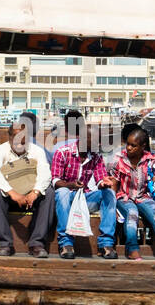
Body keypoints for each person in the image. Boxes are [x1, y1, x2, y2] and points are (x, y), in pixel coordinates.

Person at [50, 110, 117, 260]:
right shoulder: (62, 152)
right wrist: (71, 185)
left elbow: (100, 178)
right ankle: (66, 243)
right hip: (67, 197)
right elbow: (55, 181)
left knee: (110, 194)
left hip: (85, 199)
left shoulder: (96, 156)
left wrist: (104, 184)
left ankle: (106, 243)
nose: (96, 144)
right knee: (62, 192)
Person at [0, 117, 54, 257]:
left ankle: (37, 244)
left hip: (31, 194)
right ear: (9, 136)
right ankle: (5, 244)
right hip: (10, 195)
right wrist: (12, 193)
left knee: (48, 193)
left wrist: (35, 192)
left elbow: (45, 174)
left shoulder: (37, 151)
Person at [114, 127, 155, 261]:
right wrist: (111, 207)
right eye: (128, 144)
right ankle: (132, 250)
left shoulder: (151, 160)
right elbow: (114, 185)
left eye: (133, 145)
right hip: (124, 197)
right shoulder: (119, 159)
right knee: (132, 213)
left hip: (142, 196)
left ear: (143, 146)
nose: (129, 148)